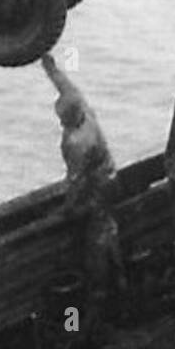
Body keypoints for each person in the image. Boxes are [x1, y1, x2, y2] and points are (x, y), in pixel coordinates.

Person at [41, 53, 127, 334]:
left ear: (64, 119)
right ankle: (120, 275)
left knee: (96, 242)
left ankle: (101, 299)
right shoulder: (85, 109)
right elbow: (66, 86)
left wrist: (66, 210)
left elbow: (76, 183)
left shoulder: (77, 143)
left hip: (97, 189)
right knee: (107, 227)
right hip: (110, 178)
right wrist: (50, 67)